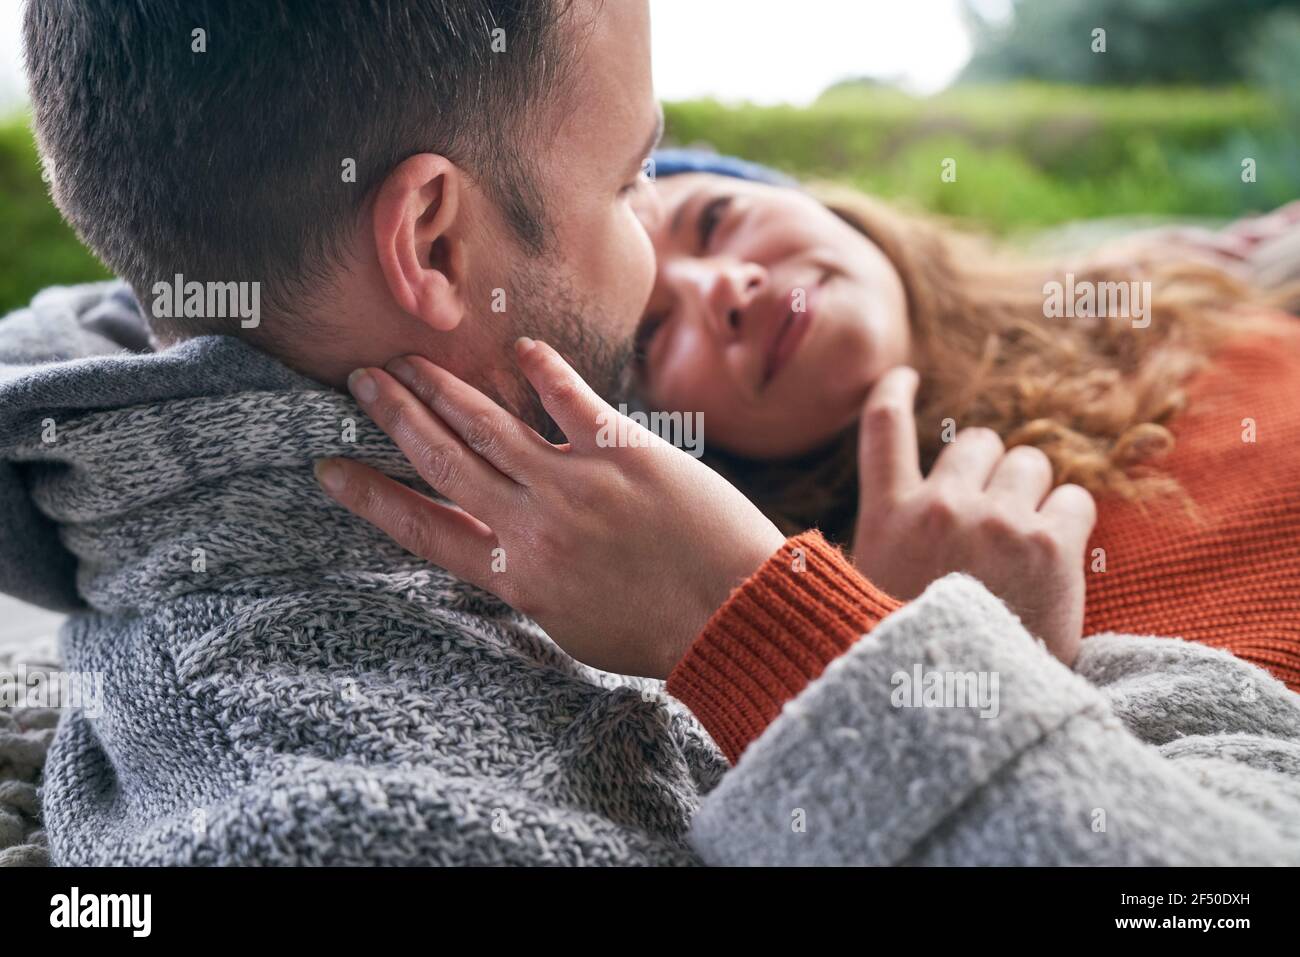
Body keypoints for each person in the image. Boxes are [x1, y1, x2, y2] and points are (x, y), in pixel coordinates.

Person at [5, 0, 1299, 866]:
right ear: (434, 242)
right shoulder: (328, 809)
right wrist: (798, 634)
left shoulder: (487, 514)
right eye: (632, 182)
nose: (678, 239)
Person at [621, 151, 1300, 690]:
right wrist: (932, 641)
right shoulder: (858, 661)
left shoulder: (1150, 288)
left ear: (821, 205)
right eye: (652, 335)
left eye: (715, 220)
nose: (721, 290)